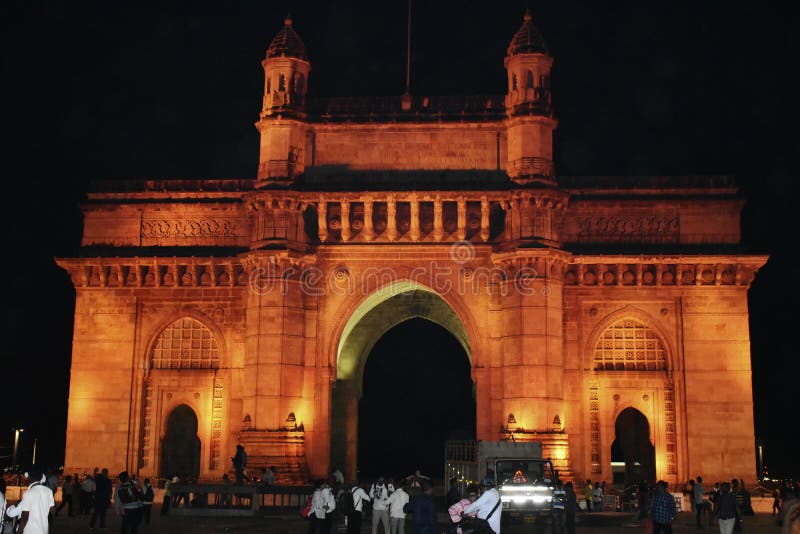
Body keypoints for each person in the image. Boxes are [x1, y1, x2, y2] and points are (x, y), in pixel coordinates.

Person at [6, 467, 55, 534]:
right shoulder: (49, 491)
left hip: (31, 531)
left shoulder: (28, 493)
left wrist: (19, 531)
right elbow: (52, 510)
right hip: (44, 530)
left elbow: (25, 516)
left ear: (29, 478)